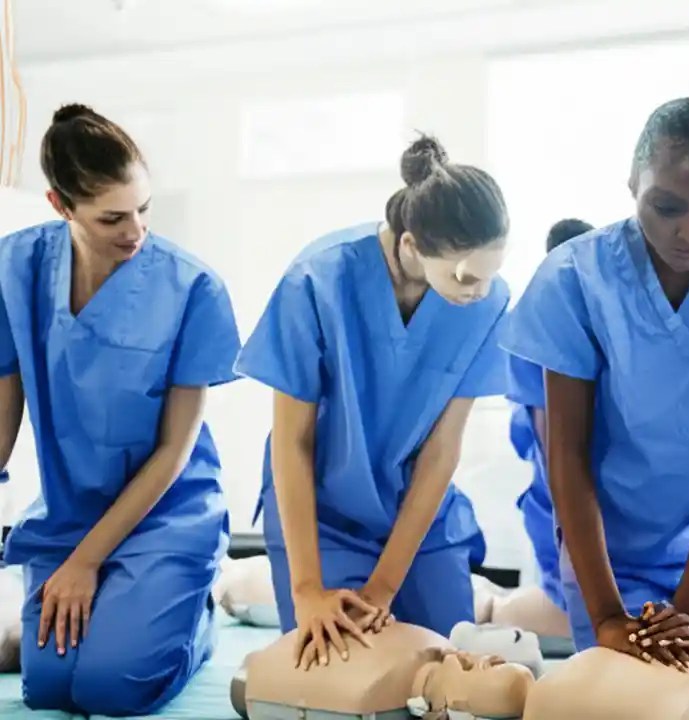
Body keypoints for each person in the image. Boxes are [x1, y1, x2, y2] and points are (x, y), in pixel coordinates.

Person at [501, 97, 689, 686]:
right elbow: (566, 455)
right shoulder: (575, 279)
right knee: (629, 696)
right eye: (666, 207)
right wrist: (607, 616)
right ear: (632, 182)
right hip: (602, 552)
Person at [235, 135, 511, 671]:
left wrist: (384, 587)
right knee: (341, 669)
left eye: (490, 272)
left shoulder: (487, 300)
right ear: (411, 245)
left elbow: (442, 451)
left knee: (446, 667)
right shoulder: (318, 280)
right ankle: (241, 596)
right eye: (464, 275)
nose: (478, 290)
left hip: (416, 512)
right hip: (324, 513)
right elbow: (292, 442)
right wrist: (308, 590)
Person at [0, 105, 241, 715]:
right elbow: (3, 423)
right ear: (60, 206)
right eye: (112, 217)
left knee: (111, 685)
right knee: (48, 686)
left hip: (166, 511)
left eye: (143, 209)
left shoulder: (193, 289)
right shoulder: (14, 269)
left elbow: (174, 451)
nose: (136, 230)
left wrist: (86, 563)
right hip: (71, 512)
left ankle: (197, 619)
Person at [507, 217, 595, 608]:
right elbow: (551, 443)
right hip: (559, 498)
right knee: (575, 601)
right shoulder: (535, 324)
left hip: (597, 496)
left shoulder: (608, 318)